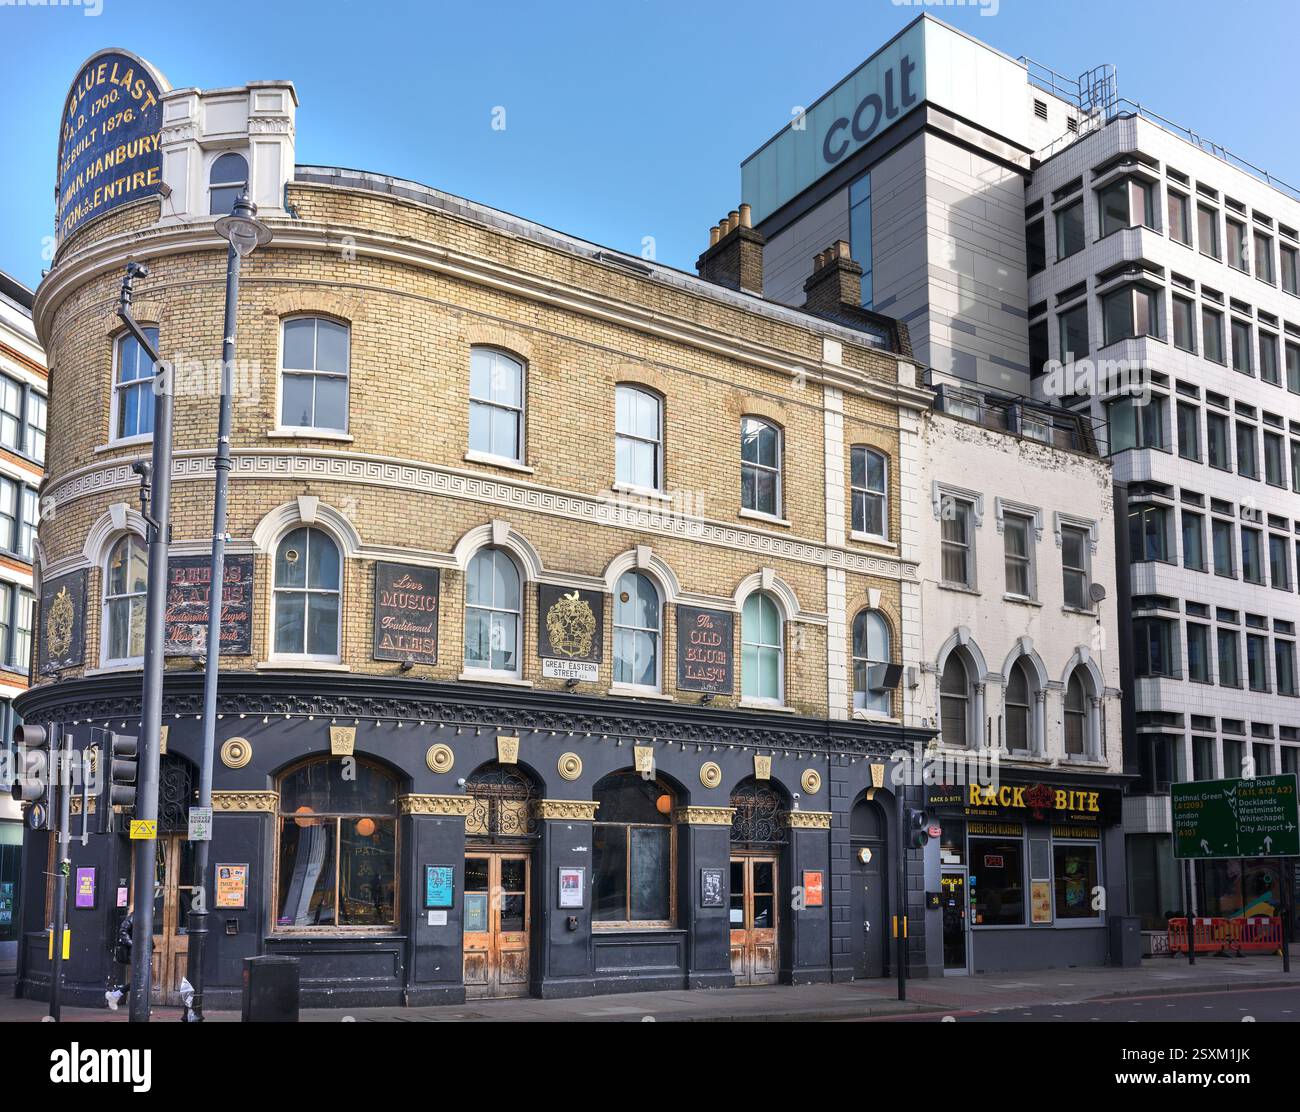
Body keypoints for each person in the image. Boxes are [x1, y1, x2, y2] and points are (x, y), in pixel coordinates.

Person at [106, 909, 132, 1011]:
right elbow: (123, 931)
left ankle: (115, 995)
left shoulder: (145, 917)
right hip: (136, 953)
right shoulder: (133, 917)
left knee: (142, 979)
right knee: (140, 978)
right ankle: (143, 1006)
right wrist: (133, 945)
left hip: (142, 952)